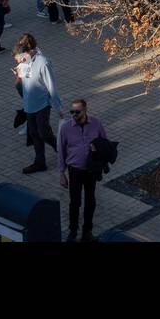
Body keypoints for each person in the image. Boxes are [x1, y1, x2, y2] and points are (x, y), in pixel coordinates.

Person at [59, 99, 108, 241]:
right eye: (72, 111)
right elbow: (61, 151)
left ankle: (87, 231)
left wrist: (98, 151)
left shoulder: (96, 124)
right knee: (74, 202)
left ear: (85, 110)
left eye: (77, 112)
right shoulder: (66, 128)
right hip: (74, 170)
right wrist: (62, 173)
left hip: (91, 170)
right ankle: (73, 231)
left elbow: (105, 142)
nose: (74, 114)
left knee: (90, 200)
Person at [13, 33, 61, 173]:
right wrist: (18, 75)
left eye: (20, 59)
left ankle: (62, 150)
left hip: (42, 104)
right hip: (29, 104)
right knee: (34, 134)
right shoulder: (23, 63)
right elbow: (23, 82)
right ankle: (40, 162)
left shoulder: (43, 63)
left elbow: (51, 86)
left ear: (28, 52)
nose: (19, 62)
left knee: (44, 133)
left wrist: (58, 107)